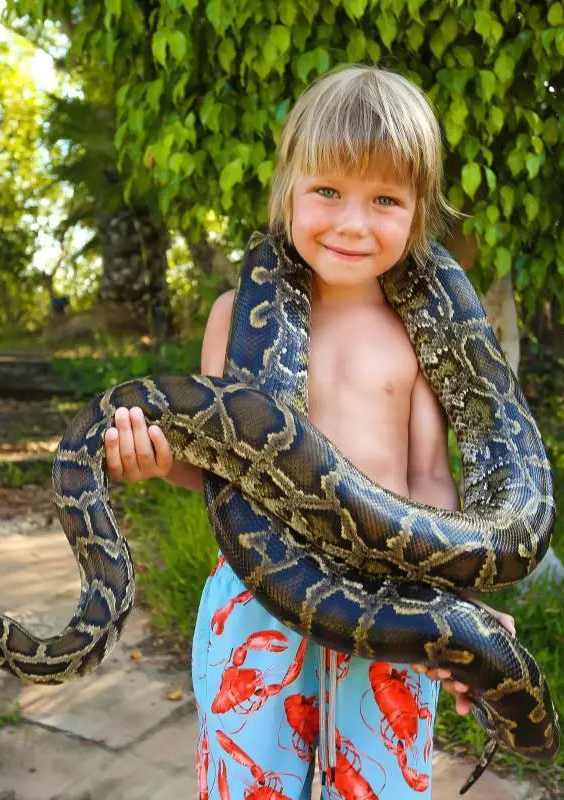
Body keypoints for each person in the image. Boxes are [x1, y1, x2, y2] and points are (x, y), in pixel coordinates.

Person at [103, 64, 518, 799]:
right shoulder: (237, 315)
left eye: (384, 199)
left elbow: (429, 486)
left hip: (393, 609)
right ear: (287, 192)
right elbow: (218, 471)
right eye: (328, 191)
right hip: (255, 604)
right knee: (249, 784)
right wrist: (156, 460)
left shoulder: (419, 341)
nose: (353, 222)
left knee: (383, 786)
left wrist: (462, 609)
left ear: (419, 214)